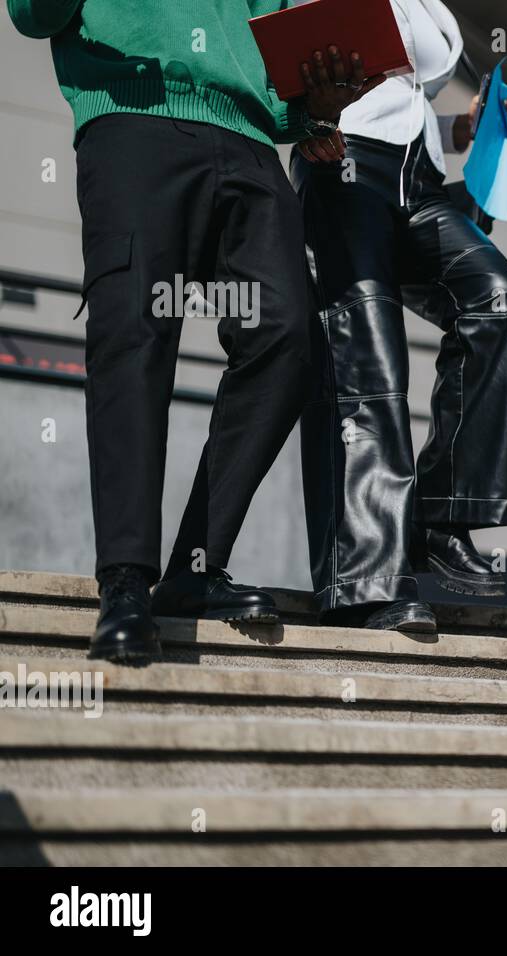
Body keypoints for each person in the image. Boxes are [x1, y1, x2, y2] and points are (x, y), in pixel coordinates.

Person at [7, 0, 382, 663]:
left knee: (289, 337)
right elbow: (33, 15)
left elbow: (273, 64)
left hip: (247, 141)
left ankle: (194, 569)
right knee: (136, 332)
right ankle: (125, 584)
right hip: (130, 119)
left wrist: (318, 108)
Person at [291, 0, 507, 632]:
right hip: (345, 165)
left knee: (499, 301)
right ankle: (369, 576)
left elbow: (402, 99)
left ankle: (439, 514)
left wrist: (463, 130)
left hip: (419, 179)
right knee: (368, 353)